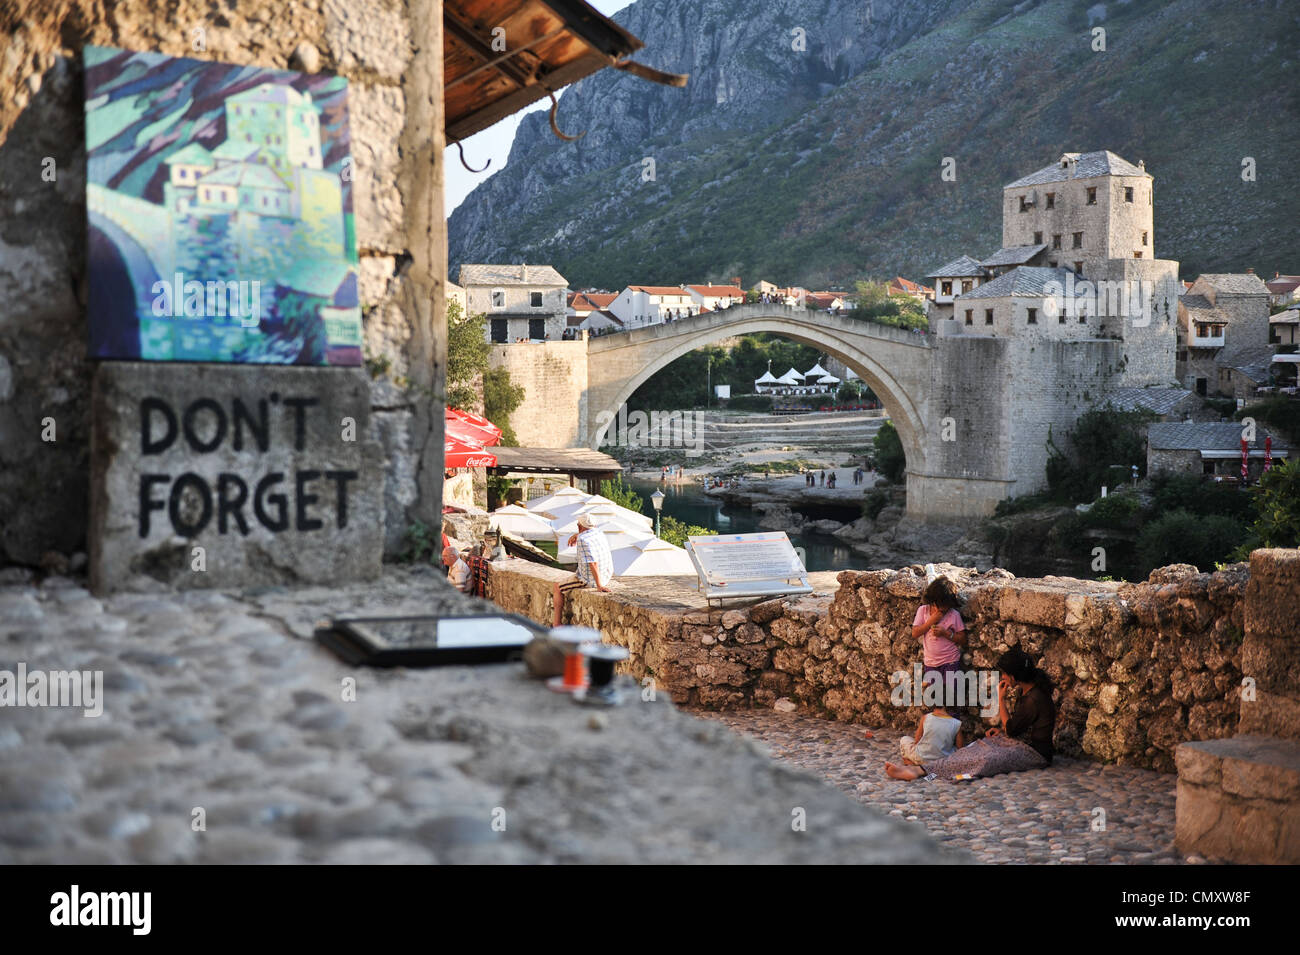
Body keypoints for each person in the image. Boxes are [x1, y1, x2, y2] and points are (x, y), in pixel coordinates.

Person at [885, 649, 1055, 781]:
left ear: (1013, 676)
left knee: (986, 759)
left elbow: (1012, 729)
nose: (1002, 677)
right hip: (1019, 743)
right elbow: (1018, 726)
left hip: (1034, 754)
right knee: (977, 747)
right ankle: (926, 770)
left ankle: (921, 772)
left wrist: (1000, 700)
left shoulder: (1033, 699)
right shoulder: (1027, 691)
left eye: (1004, 674)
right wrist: (1001, 731)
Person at [551, 514, 613, 627]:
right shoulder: (599, 532)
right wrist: (577, 535)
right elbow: (587, 533)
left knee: (557, 587)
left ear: (580, 527)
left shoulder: (583, 539)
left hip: (589, 580)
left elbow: (593, 563)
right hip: (606, 575)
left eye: (578, 525)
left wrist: (599, 586)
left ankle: (557, 624)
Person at [913, 576, 966, 690]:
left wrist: (946, 633)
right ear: (932, 601)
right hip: (931, 663)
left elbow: (962, 639)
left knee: (951, 695)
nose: (941, 610)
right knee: (934, 696)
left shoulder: (954, 615)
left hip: (950, 661)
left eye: (945, 608)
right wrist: (930, 622)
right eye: (938, 606)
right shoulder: (923, 611)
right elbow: (915, 633)